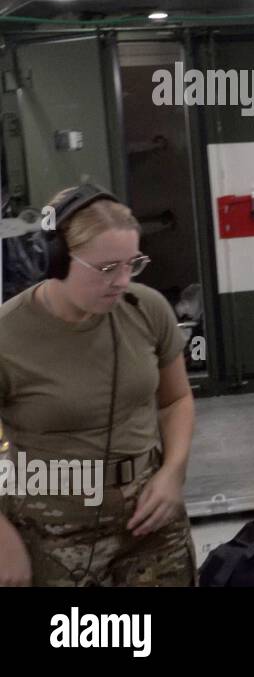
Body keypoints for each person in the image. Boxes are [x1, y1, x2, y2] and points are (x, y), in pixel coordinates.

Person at [0, 185, 196, 587]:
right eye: (107, 268)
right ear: (56, 260)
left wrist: (173, 472)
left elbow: (176, 399)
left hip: (149, 521)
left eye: (133, 264)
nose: (123, 281)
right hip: (53, 531)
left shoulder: (147, 309)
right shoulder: (8, 336)